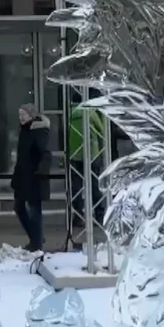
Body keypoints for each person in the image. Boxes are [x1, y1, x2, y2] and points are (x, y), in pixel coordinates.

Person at [67, 99, 107, 248]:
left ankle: (77, 217)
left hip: (74, 154)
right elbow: (102, 130)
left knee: (76, 187)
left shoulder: (70, 113)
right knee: (94, 185)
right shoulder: (90, 112)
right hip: (92, 153)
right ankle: (99, 215)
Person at [11, 104, 51, 252]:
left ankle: (36, 242)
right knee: (19, 207)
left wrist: (41, 171)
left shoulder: (38, 131)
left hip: (34, 177)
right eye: (19, 115)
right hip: (23, 177)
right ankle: (36, 237)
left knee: (34, 210)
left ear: (31, 115)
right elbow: (21, 158)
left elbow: (45, 153)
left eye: (24, 115)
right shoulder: (25, 131)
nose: (21, 118)